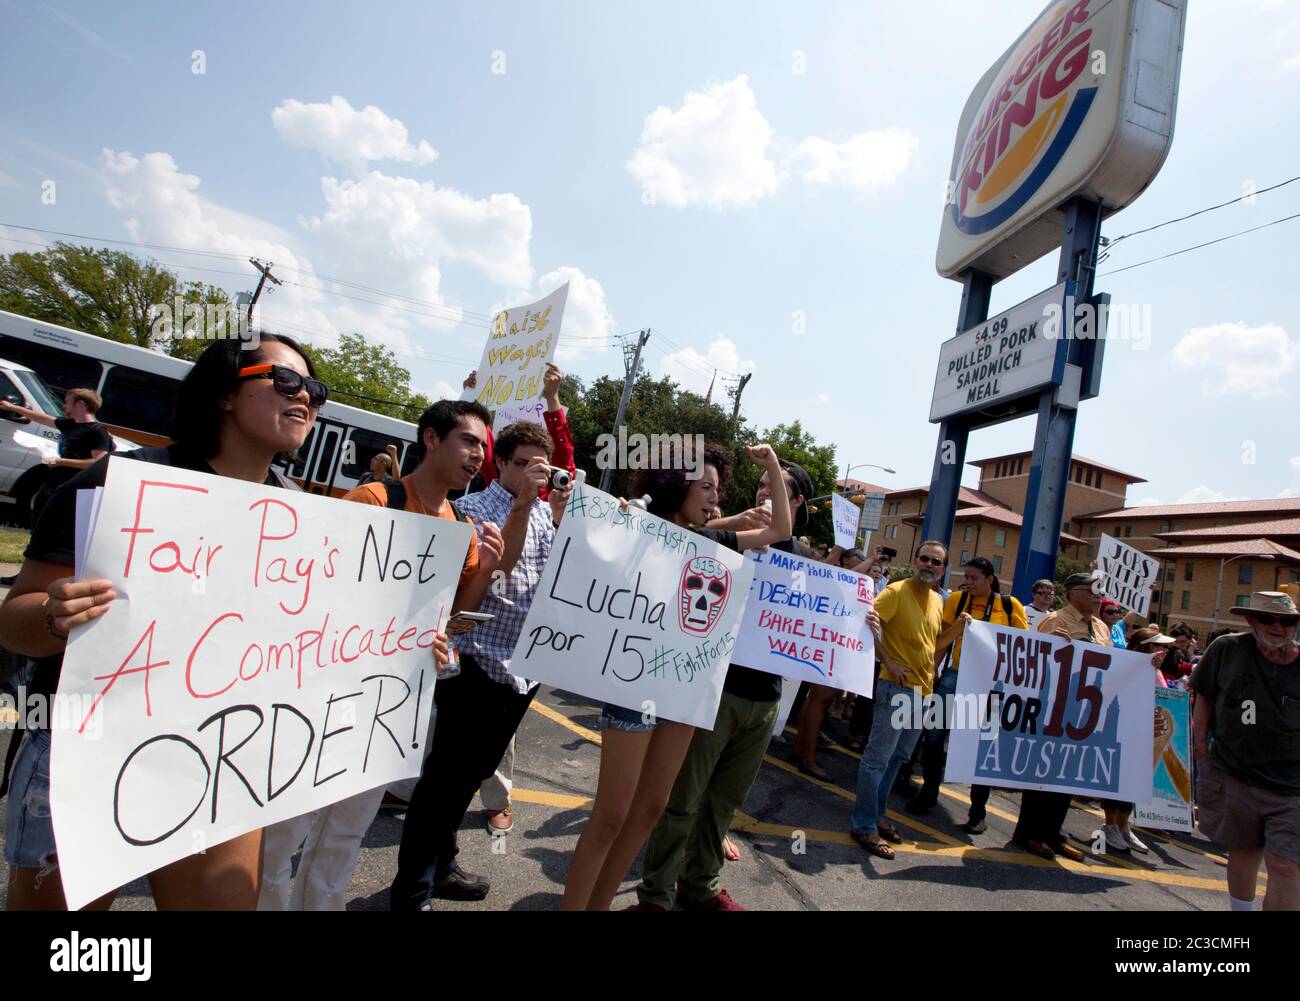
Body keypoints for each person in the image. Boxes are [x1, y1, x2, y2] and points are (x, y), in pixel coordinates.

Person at [0, 334, 375, 910]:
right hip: (96, 751)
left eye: (315, 390)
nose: (307, 398)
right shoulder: (118, 486)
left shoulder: (303, 515)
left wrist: (401, 646)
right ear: (223, 393)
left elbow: (319, 643)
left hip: (226, 754)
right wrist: (54, 616)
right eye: (285, 381)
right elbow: (14, 623)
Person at [259, 399, 498, 912]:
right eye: (469, 441)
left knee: (347, 831)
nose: (479, 455)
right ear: (431, 439)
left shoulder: (462, 530)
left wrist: (461, 606)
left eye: (483, 446)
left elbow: (452, 615)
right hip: (326, 694)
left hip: (393, 705)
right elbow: (313, 586)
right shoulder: (373, 500)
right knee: (285, 832)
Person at [562, 442, 793, 911]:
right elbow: (586, 536)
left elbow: (780, 528)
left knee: (648, 812)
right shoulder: (637, 527)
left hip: (683, 692)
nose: (715, 495)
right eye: (706, 486)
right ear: (676, 485)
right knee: (611, 815)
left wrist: (771, 465)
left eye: (719, 487)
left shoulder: (713, 543)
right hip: (631, 687)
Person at [633, 459, 827, 911]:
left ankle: (700, 885)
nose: (763, 492)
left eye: (774, 486)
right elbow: (690, 536)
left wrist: (863, 624)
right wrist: (737, 521)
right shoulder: (735, 536)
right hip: (715, 688)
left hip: (764, 700)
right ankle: (655, 895)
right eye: (760, 484)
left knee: (722, 804)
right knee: (683, 798)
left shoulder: (805, 560)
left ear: (796, 500)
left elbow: (824, 621)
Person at [1190, 592, 1300, 911]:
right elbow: (1205, 695)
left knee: (1284, 863)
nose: (1278, 626)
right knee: (1244, 850)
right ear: (1251, 620)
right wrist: (1200, 750)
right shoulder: (1227, 649)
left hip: (1292, 785)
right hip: (1233, 772)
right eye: (1268, 618)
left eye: (1287, 620)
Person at [910, 557, 1027, 835]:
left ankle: (978, 812)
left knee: (982, 745)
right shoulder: (957, 600)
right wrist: (930, 671)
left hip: (991, 683)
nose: (970, 583)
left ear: (990, 578)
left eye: (975, 578)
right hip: (954, 674)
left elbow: (1023, 646)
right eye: (968, 578)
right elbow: (942, 640)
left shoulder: (1011, 606)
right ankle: (929, 792)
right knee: (935, 736)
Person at [848, 540, 947, 859]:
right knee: (877, 758)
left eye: (936, 561)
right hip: (896, 687)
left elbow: (933, 643)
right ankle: (864, 825)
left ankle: (876, 815)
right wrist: (888, 661)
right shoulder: (895, 591)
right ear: (914, 560)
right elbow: (867, 626)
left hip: (923, 693)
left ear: (943, 569)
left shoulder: (937, 601)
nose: (929, 565)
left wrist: (958, 628)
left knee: (898, 759)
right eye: (924, 558)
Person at [1012, 571, 1110, 862]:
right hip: (1054, 709)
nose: (1097, 596)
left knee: (1067, 775)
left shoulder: (1102, 627)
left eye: (1099, 591)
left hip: (1084, 714)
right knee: (1043, 773)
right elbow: (1032, 659)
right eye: (1091, 590)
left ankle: (1053, 834)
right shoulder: (1056, 621)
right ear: (1072, 593)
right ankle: (1028, 832)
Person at [0, 389, 113, 589]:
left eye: (67, 402)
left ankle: (51, 578)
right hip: (53, 485)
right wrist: (13, 407)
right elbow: (43, 419)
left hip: (74, 489)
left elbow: (97, 462)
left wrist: (61, 461)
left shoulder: (97, 432)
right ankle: (26, 575)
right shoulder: (70, 425)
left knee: (57, 535)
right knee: (37, 529)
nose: (64, 406)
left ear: (80, 404)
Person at [1097, 625, 1176, 855]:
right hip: (1124, 732)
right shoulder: (1128, 665)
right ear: (1146, 647)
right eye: (1159, 646)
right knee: (1118, 779)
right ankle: (1110, 825)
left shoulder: (1156, 670)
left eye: (1165, 647)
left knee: (1134, 781)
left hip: (1146, 735)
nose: (1164, 651)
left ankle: (1123, 825)